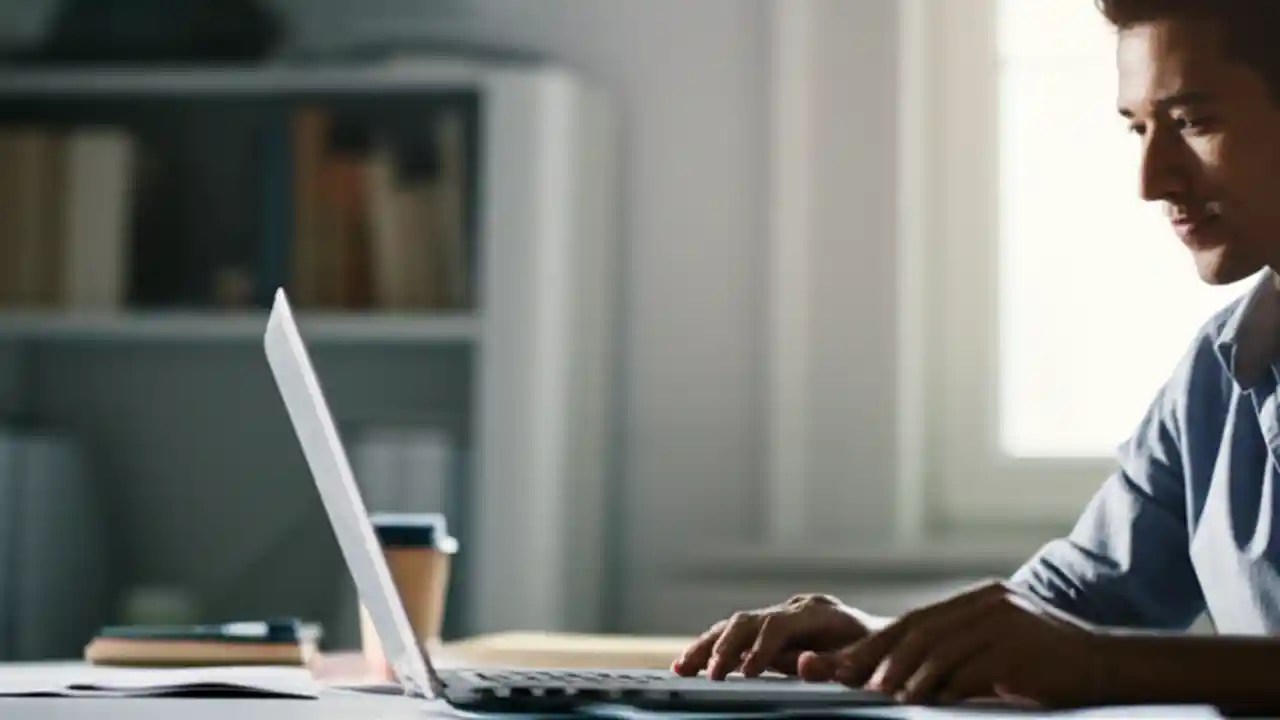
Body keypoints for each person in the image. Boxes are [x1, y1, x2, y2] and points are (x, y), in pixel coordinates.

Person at [673, 0, 1280, 712]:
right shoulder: (1218, 378)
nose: (1152, 181)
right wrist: (885, 643)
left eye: (1193, 122)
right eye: (1140, 128)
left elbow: (1085, 652)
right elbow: (1071, 610)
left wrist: (1102, 666)